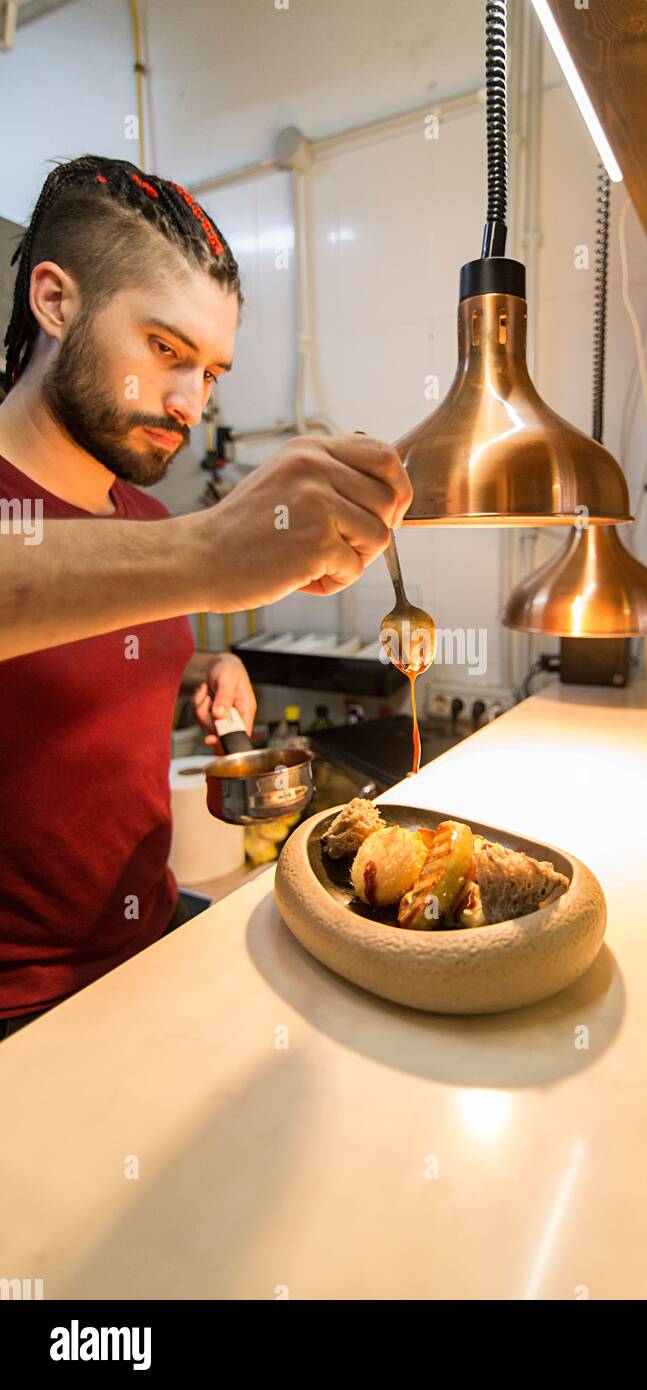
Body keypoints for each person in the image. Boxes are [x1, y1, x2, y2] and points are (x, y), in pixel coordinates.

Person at [0, 155, 411, 1039]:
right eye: (165, 351)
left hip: (147, 950)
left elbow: (96, 651)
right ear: (55, 301)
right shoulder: (169, 538)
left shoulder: (143, 516)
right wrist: (209, 549)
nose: (191, 402)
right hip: (22, 1016)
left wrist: (202, 661)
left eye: (213, 373)